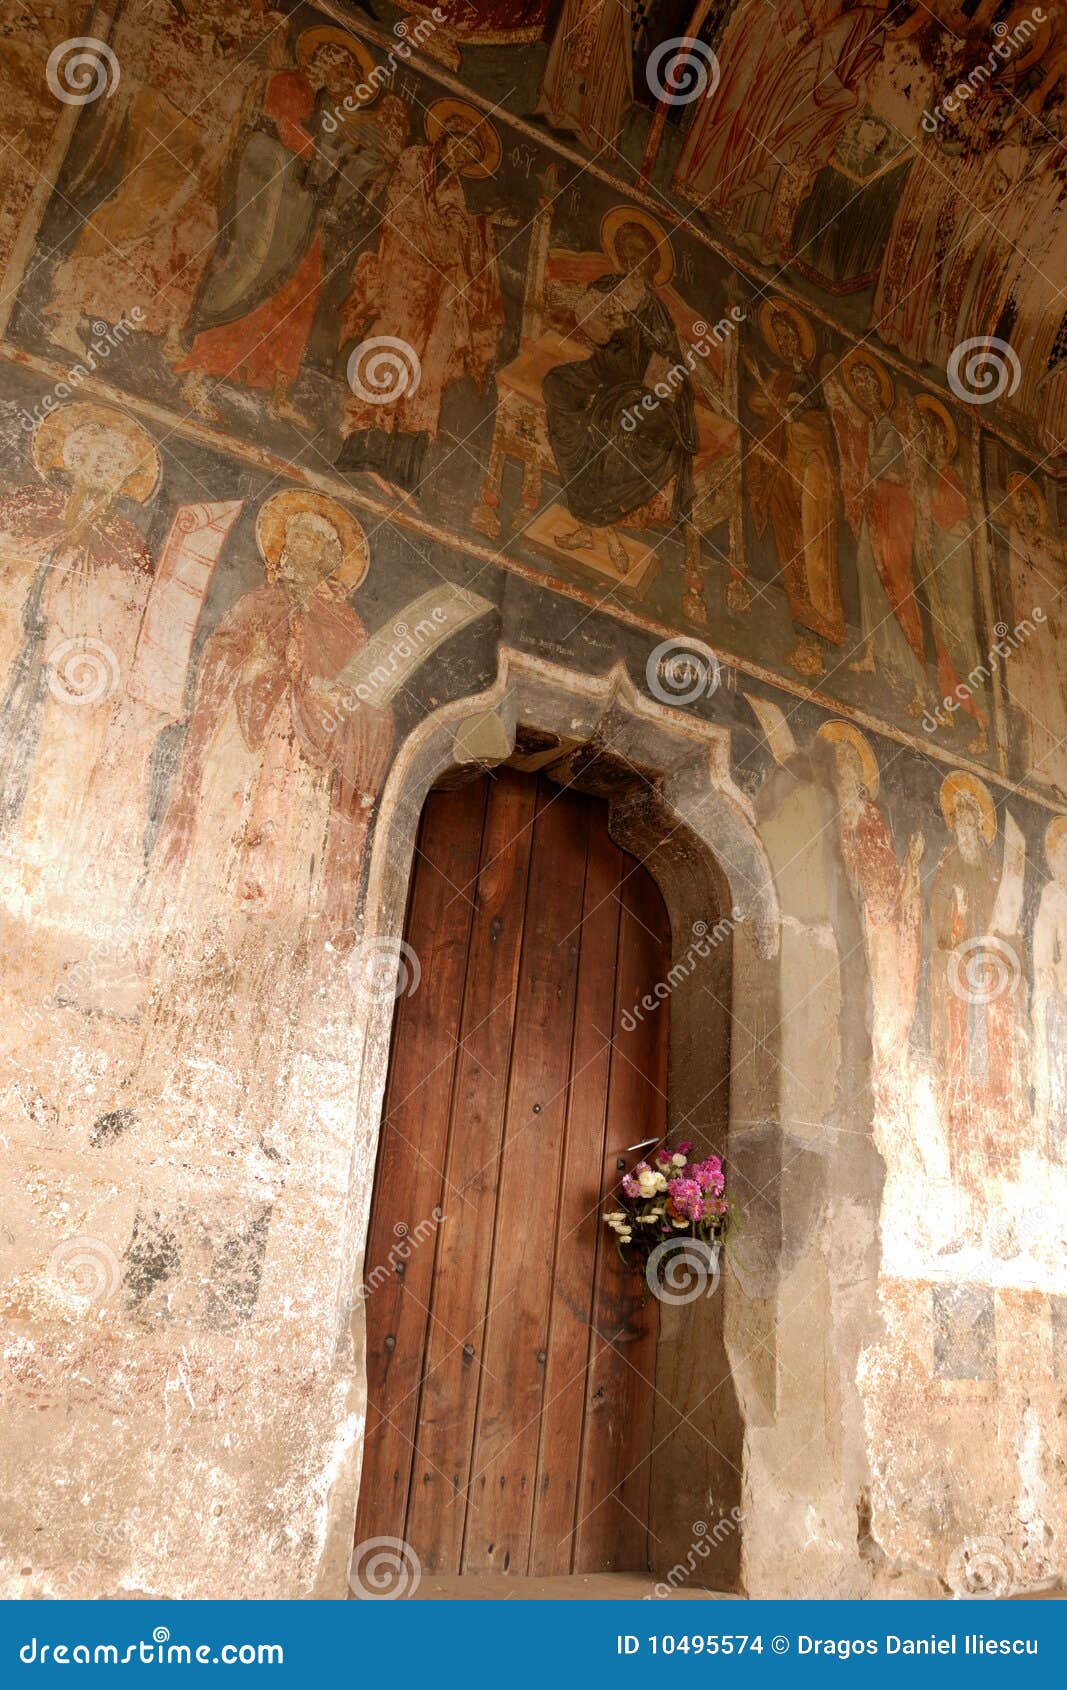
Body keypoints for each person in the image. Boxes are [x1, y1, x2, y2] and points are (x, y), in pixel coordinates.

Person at [337, 101, 508, 491]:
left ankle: (400, 468)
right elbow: (406, 214)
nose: (462, 157)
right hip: (406, 281)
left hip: (441, 295)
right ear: (445, 139)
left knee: (427, 374)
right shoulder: (416, 163)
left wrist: (479, 227)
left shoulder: (455, 188)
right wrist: (447, 235)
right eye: (460, 145)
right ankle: (363, 448)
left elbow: (459, 241)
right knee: (390, 353)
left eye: (471, 155)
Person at [541, 213, 698, 573]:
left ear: (651, 262)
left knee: (621, 427)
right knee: (556, 385)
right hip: (601, 372)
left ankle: (593, 523)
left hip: (639, 387)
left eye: (640, 254)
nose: (632, 260)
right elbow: (593, 330)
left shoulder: (654, 308)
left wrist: (652, 362)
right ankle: (595, 519)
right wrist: (603, 316)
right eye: (626, 252)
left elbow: (668, 366)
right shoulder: (610, 285)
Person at [746, 301, 843, 677]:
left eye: (791, 336)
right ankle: (803, 629)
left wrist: (791, 416)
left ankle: (823, 626)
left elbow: (811, 424)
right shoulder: (782, 377)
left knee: (812, 542)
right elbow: (762, 406)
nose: (786, 342)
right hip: (785, 471)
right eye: (780, 337)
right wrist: (769, 392)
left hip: (812, 473)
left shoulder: (816, 381)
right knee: (790, 546)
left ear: (801, 342)